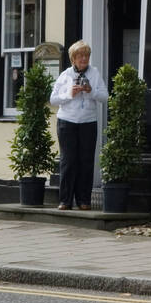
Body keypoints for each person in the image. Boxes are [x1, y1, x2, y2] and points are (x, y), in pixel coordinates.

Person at [49, 41, 108, 210]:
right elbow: (53, 99)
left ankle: (84, 200)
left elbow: (105, 97)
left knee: (86, 161)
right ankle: (65, 200)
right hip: (67, 122)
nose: (84, 58)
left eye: (86, 55)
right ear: (73, 58)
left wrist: (91, 91)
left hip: (88, 122)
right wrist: (69, 93)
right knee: (68, 160)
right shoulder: (65, 75)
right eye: (80, 56)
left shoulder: (94, 73)